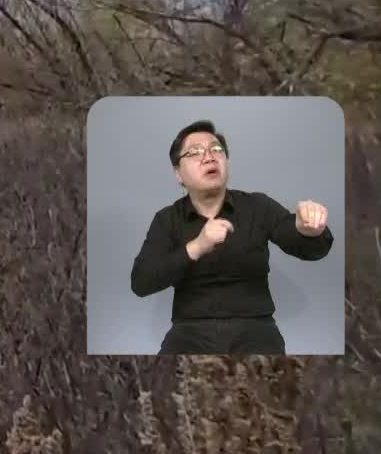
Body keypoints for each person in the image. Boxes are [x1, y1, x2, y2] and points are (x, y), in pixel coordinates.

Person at [128, 118, 334, 354]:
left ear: (226, 161)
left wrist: (309, 230)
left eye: (216, 150)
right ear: (178, 174)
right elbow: (141, 282)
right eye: (195, 152)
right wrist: (196, 247)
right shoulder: (167, 220)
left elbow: (308, 247)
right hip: (190, 332)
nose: (209, 156)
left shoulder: (258, 206)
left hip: (256, 330)